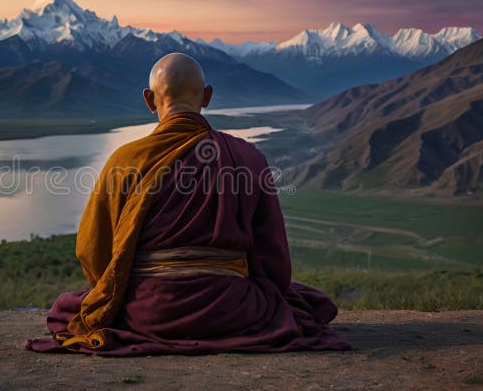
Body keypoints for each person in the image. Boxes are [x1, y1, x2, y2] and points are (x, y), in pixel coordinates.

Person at [26, 53, 350, 355]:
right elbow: (273, 258)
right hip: (233, 310)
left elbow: (92, 251)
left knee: (68, 308)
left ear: (149, 100)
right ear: (207, 96)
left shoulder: (125, 160)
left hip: (147, 312)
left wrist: (118, 290)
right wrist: (255, 294)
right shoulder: (248, 157)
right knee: (305, 301)